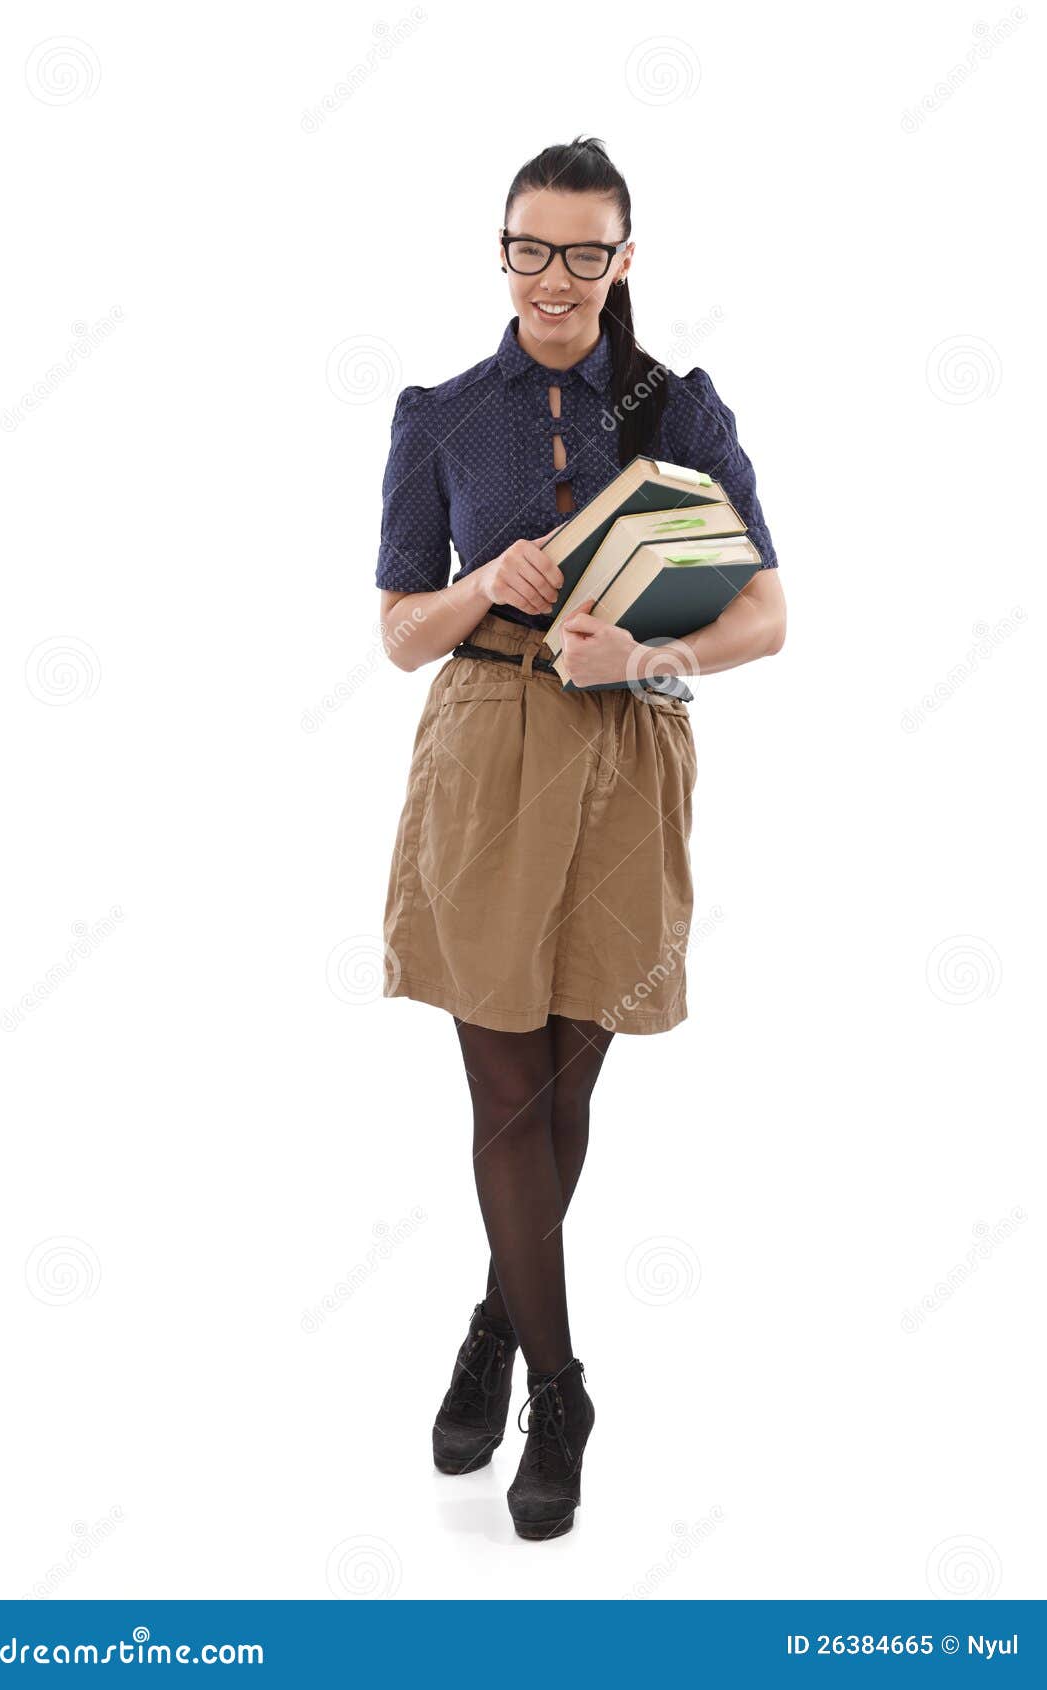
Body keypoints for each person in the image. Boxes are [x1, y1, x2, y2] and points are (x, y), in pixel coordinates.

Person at [375, 136, 786, 1540]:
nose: (555, 278)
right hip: (486, 749)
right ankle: (559, 1380)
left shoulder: (674, 405)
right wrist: (482, 577)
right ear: (501, 251)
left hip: (624, 752)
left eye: (585, 252)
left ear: (625, 259)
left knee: (561, 1092)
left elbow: (765, 616)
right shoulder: (437, 414)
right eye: (530, 248)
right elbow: (394, 632)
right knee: (504, 1099)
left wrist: (637, 662)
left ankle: (495, 1317)